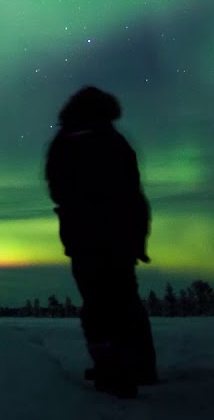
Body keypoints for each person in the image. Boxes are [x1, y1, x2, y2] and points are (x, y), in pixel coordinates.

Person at [44, 86, 157, 398]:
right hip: (119, 235)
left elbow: (57, 188)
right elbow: (134, 193)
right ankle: (140, 365)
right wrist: (138, 236)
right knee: (124, 300)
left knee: (98, 303)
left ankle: (113, 369)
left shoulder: (67, 142)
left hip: (86, 235)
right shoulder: (114, 141)